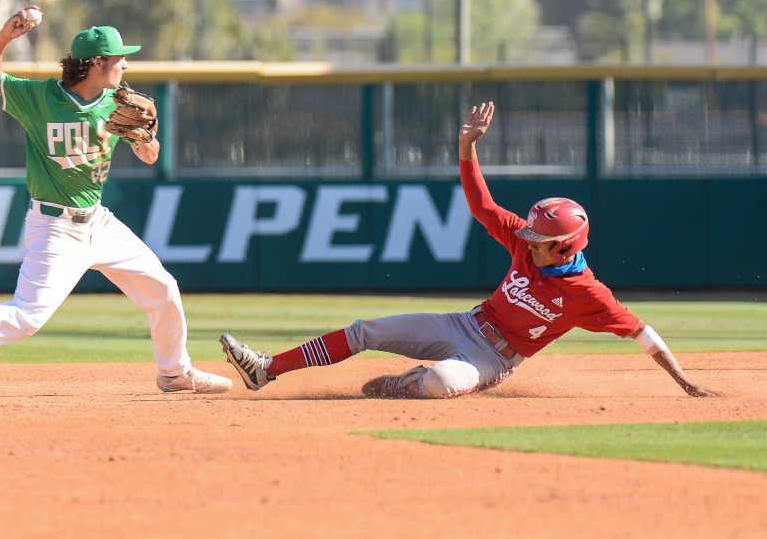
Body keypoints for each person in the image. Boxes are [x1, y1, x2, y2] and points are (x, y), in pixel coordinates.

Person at [220, 102, 717, 399]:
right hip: (464, 324)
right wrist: (468, 147)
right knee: (364, 330)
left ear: (565, 245)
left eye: (540, 239)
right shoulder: (527, 244)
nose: (527, 240)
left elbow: (644, 334)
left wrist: (685, 382)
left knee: (437, 385)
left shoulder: (589, 294)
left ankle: (403, 385)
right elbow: (482, 206)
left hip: (495, 361)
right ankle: (266, 369)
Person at [0, 6, 232, 399]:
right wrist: (5, 36)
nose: (125, 64)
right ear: (97, 63)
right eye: (119, 58)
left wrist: (143, 136)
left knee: (163, 289)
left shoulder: (114, 103)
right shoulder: (39, 97)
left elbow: (150, 157)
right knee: (26, 317)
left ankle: (174, 373)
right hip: (55, 226)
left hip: (99, 223)